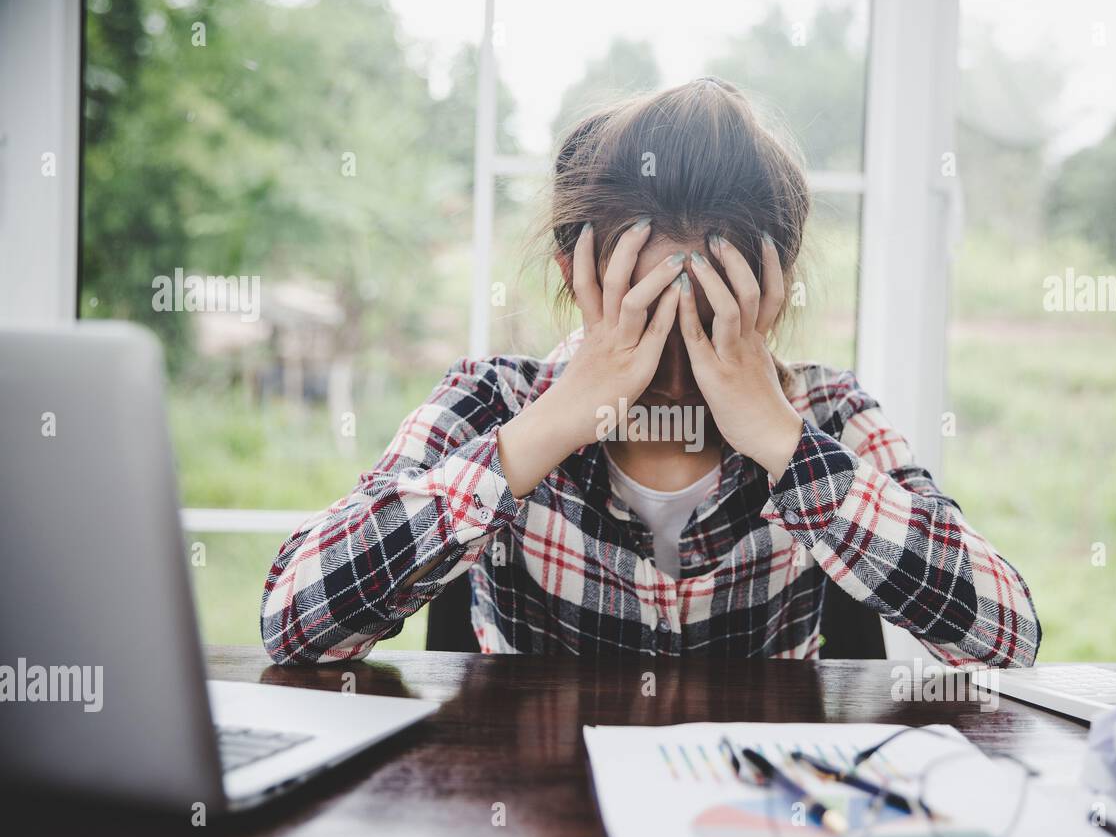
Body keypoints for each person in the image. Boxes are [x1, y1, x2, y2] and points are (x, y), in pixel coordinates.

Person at [260, 77, 1040, 667]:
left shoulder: (830, 413)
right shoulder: (494, 400)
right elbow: (292, 622)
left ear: (775, 285)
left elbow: (1007, 638)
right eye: (644, 315)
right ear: (575, 277)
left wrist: (784, 442)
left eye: (706, 318)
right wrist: (552, 426)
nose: (675, 370)